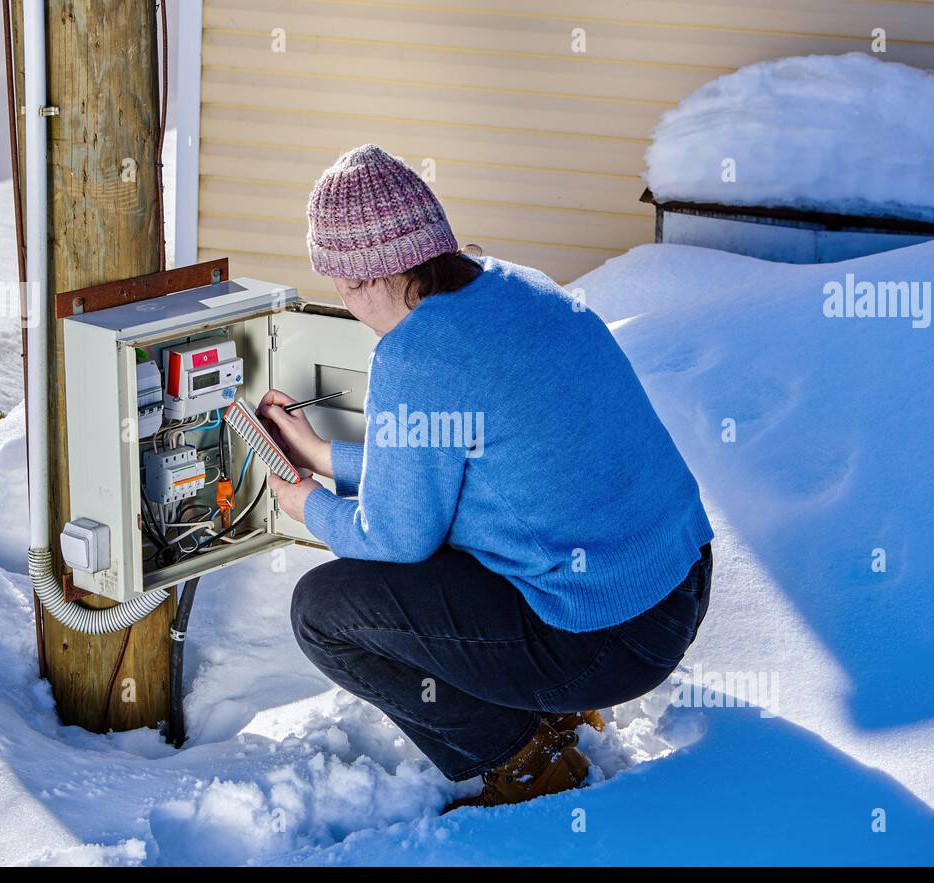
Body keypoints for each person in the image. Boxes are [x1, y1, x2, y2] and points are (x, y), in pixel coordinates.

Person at [257, 145, 713, 811]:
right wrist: (328, 456)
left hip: (605, 640)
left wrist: (310, 506)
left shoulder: (416, 353)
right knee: (454, 551)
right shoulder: (516, 287)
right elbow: (463, 465)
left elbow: (397, 536)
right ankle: (550, 706)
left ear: (358, 281)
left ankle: (523, 759)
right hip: (676, 584)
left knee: (323, 612)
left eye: (343, 288)